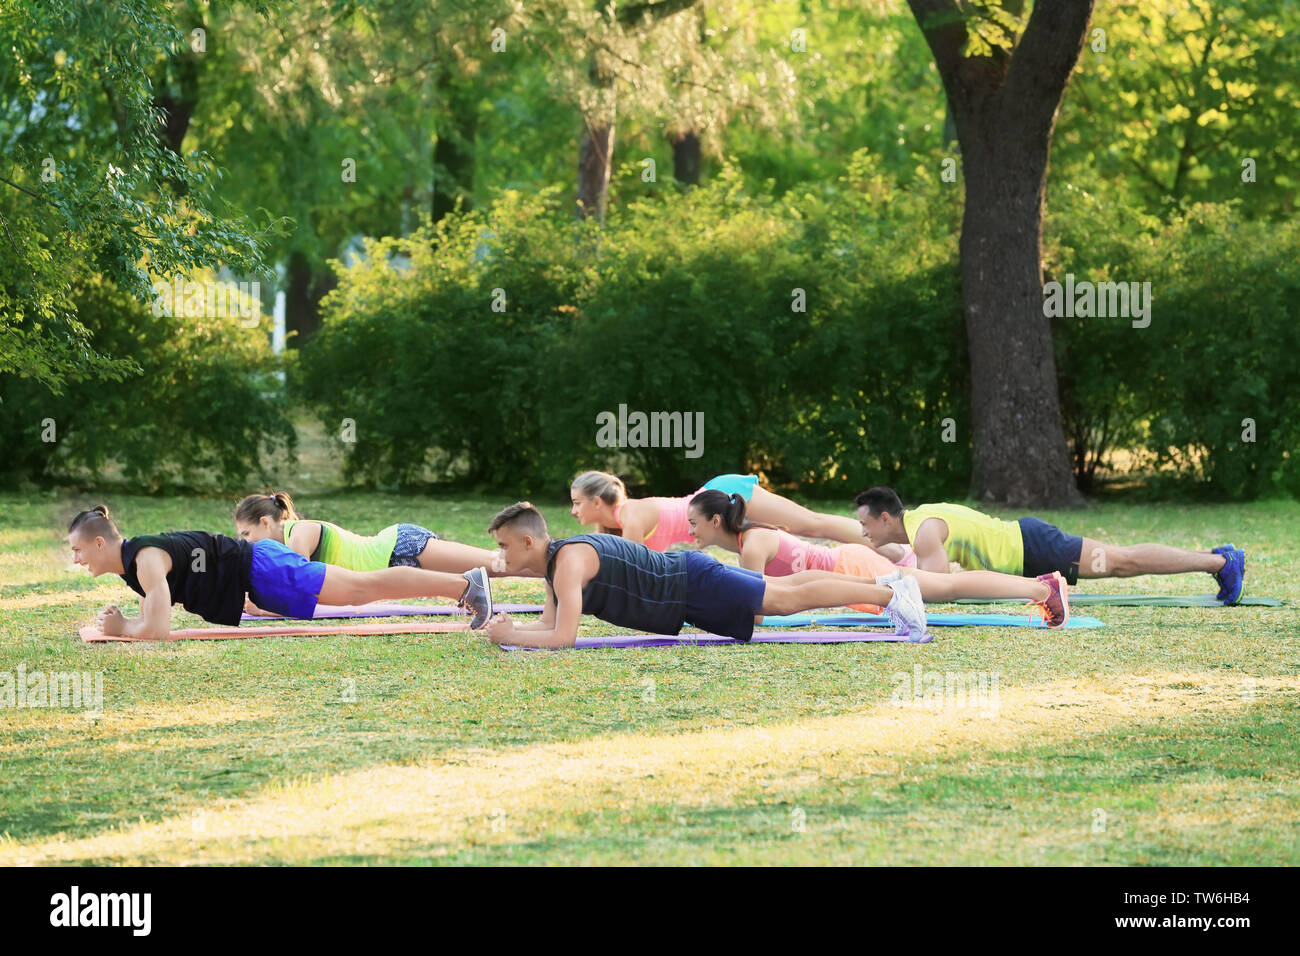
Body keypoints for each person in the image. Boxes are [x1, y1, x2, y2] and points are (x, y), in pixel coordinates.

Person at [480, 501, 934, 649]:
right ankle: (890, 587)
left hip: (691, 586)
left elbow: (563, 637)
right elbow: (546, 625)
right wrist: (513, 628)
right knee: (783, 589)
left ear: (527, 543)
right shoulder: (557, 564)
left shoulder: (569, 564)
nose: (498, 555)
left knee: (783, 601)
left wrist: (511, 638)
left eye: (503, 545)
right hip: (689, 584)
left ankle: (893, 597)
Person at [67, 505, 493, 639]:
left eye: (78, 550)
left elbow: (157, 627)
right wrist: (130, 620)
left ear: (100, 542)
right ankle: (463, 585)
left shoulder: (145, 558)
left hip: (264, 568)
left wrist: (124, 628)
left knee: (364, 588)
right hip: (261, 574)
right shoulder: (135, 564)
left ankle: (464, 585)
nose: (75, 559)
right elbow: (153, 606)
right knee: (363, 590)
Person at [688, 490, 1069, 620]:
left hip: (851, 566)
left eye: (694, 523)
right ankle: (1040, 589)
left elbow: (757, 613)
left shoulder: (752, 546)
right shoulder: (749, 542)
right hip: (848, 566)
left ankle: (1042, 590)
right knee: (944, 586)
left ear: (716, 520)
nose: (689, 531)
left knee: (945, 587)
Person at [853, 486, 1247, 604]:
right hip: (1027, 548)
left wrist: (883, 585)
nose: (863, 532)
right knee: (1120, 560)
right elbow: (920, 563)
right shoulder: (922, 521)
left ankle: (1219, 562)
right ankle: (1216, 560)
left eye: (865, 524)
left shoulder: (924, 531)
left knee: (1121, 561)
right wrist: (879, 557)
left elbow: (934, 587)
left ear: (885, 518)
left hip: (1032, 547)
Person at [233, 491, 505, 615]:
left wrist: (264, 608)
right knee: (498, 566)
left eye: (246, 534)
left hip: (398, 546)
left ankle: (547, 558)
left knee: (501, 564)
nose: (245, 542)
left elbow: (298, 589)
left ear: (265, 523)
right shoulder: (287, 544)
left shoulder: (299, 533)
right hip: (393, 566)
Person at [569, 470, 911, 558]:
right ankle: (889, 553)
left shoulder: (632, 516)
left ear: (598, 501)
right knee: (793, 538)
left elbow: (631, 567)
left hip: (721, 496)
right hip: (714, 511)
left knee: (808, 523)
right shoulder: (612, 529)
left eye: (578, 503)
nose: (573, 511)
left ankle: (896, 544)